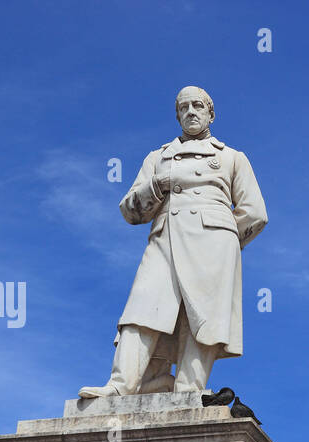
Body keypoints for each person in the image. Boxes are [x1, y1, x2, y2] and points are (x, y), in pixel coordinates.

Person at [80, 86, 267, 399]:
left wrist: (225, 240)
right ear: (178, 115)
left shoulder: (232, 157)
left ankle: (188, 391)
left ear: (211, 114)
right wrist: (156, 185)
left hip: (214, 244)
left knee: (202, 318)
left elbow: (255, 213)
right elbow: (129, 211)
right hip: (165, 238)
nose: (191, 112)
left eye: (198, 106)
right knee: (142, 308)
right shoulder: (158, 157)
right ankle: (120, 385)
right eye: (184, 107)